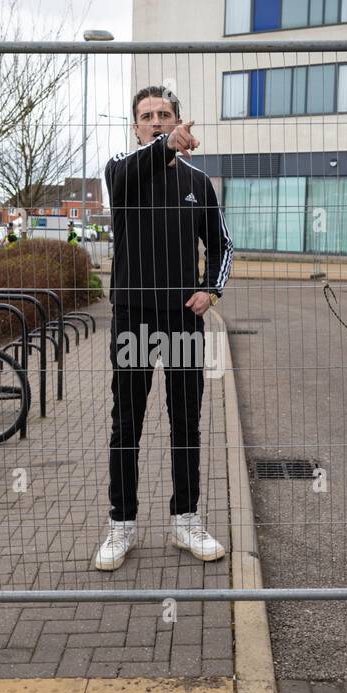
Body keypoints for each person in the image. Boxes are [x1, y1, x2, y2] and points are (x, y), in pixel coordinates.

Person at [95, 85, 234, 571]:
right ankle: (122, 524)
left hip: (180, 322)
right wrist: (165, 146)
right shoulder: (122, 172)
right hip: (133, 318)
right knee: (125, 425)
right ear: (136, 126)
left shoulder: (198, 183)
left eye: (165, 115)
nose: (156, 121)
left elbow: (222, 248)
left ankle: (186, 520)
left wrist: (210, 290)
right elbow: (136, 166)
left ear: (178, 118)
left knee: (185, 424)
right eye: (147, 116)